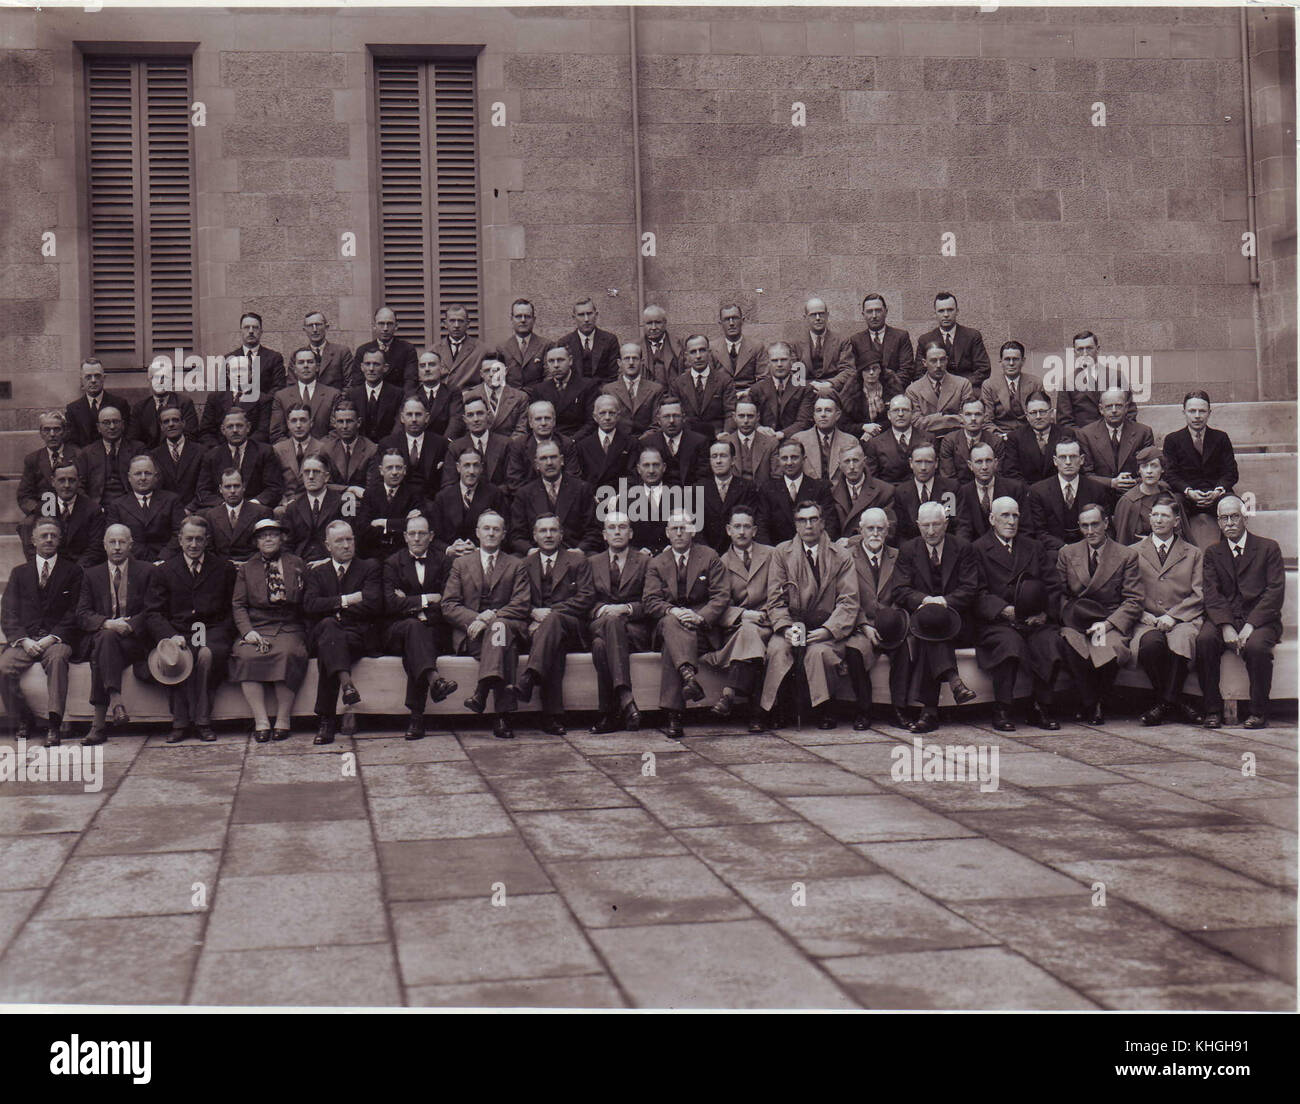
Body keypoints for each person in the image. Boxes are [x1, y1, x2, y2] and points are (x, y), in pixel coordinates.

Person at [758, 500, 860, 730]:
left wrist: (826, 631)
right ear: (795, 525)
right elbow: (775, 599)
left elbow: (849, 600)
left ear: (822, 523)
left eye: (814, 519)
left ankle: (824, 709)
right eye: (802, 521)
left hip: (826, 626)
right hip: (792, 624)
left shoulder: (841, 555)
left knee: (818, 653)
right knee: (777, 649)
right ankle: (776, 709)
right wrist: (786, 628)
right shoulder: (781, 553)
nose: (809, 525)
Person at [971, 497, 1062, 732]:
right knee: (1008, 644)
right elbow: (975, 591)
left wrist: (1044, 614)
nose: (1011, 522)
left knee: (1049, 641)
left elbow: (1053, 586)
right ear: (992, 519)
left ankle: (1041, 706)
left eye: (1015, 516)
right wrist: (1002, 610)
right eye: (1005, 516)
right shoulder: (978, 549)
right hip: (998, 622)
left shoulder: (1033, 547)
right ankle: (1002, 708)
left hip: (1034, 619)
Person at [144, 515, 237, 743]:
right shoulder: (164, 570)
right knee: (177, 657)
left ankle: (202, 720)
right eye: (189, 539)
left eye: (199, 539)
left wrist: (219, 634)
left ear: (207, 541)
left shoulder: (223, 568)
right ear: (179, 539)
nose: (193, 545)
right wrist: (170, 636)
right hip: (178, 632)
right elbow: (153, 612)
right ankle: (181, 721)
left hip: (212, 631)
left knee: (205, 654)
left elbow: (231, 610)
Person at [1197, 495, 1286, 730]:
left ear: (1245, 517)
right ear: (1218, 522)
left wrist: (1251, 625)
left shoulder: (1268, 548)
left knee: (1257, 647)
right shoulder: (1212, 553)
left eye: (1234, 516)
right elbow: (1211, 594)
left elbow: (1274, 592)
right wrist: (1225, 625)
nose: (1229, 523)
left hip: (1260, 619)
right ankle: (1212, 711)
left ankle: (1258, 712)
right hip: (1225, 618)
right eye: (1224, 518)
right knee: (1204, 640)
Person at [441, 510, 531, 741]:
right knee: (504, 645)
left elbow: (521, 604)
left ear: (503, 534)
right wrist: (476, 619)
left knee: (499, 628)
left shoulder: (516, 564)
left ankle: (481, 693)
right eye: (486, 528)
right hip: (471, 636)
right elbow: (449, 604)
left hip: (503, 627)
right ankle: (502, 716)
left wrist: (489, 618)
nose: (491, 533)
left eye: (496, 529)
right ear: (477, 533)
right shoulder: (461, 564)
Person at [893, 501, 980, 733]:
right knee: (930, 625)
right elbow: (900, 589)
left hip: (958, 622)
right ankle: (954, 683)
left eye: (936, 525)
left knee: (931, 631)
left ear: (946, 524)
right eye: (925, 525)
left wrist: (943, 602)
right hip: (923, 620)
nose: (930, 531)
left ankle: (930, 711)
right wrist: (925, 601)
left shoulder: (963, 548)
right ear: (917, 525)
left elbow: (970, 588)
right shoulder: (909, 550)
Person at [642, 511, 729, 739]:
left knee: (672, 647)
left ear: (693, 530)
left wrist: (700, 617)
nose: (679, 533)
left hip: (700, 629)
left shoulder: (709, 556)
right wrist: (673, 611)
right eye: (674, 529)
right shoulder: (656, 563)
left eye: (684, 528)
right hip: (667, 624)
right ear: (667, 533)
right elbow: (650, 601)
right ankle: (687, 678)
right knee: (671, 623)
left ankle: (675, 713)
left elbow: (721, 596)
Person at [1056, 503, 1143, 725]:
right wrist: (1069, 617)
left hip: (1107, 620)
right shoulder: (1067, 553)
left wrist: (1108, 624)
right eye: (1084, 526)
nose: (1090, 531)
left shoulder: (1126, 555)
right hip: (1076, 620)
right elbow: (1060, 593)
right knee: (1071, 644)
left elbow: (1134, 600)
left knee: (1108, 648)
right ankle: (1090, 702)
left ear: (1106, 523)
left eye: (1095, 524)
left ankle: (1095, 702)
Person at [511, 514, 595, 735]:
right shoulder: (524, 564)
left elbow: (586, 598)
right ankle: (552, 717)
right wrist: (532, 613)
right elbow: (517, 598)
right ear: (534, 536)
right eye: (543, 531)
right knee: (553, 646)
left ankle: (530, 676)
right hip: (539, 630)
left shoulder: (578, 561)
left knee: (554, 622)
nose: (548, 535)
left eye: (553, 530)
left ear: (561, 535)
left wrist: (549, 614)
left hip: (572, 627)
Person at [0, 518, 81, 745]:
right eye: (43, 535)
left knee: (58, 660)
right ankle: (24, 719)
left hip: (56, 640)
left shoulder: (73, 572)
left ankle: (54, 725)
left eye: (53, 535)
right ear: (33, 540)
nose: (48, 539)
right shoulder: (19, 573)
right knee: (3, 668)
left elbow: (75, 612)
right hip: (25, 640)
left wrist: (52, 638)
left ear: (60, 540)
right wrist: (22, 640)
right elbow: (8, 612)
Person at [75, 525, 157, 745]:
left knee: (102, 647)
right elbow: (82, 614)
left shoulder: (147, 571)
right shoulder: (91, 575)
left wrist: (130, 626)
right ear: (104, 545)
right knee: (106, 638)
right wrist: (108, 623)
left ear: (131, 544)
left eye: (122, 542)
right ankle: (115, 703)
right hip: (106, 636)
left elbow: (154, 609)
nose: (118, 547)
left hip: (135, 641)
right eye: (112, 542)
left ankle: (99, 725)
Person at [380, 512, 459, 740]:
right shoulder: (392, 563)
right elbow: (390, 604)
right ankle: (435, 682)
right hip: (397, 631)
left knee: (417, 639)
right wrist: (426, 599)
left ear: (431, 536)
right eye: (412, 534)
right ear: (404, 536)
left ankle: (416, 718)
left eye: (421, 534)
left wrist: (410, 602)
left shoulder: (444, 562)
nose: (416, 538)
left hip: (432, 629)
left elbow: (447, 600)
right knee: (415, 630)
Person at [231, 518, 310, 743]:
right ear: (256, 542)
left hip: (289, 626)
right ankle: (261, 720)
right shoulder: (247, 568)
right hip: (258, 627)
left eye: (273, 534)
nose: (268, 539)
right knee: (246, 655)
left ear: (281, 538)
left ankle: (283, 719)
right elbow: (238, 604)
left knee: (288, 654)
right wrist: (247, 632)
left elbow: (307, 599)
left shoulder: (296, 563)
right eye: (263, 536)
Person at [302, 521, 381, 744]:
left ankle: (326, 721)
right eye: (340, 541)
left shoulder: (369, 567)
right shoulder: (317, 573)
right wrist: (348, 600)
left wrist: (332, 608)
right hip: (329, 633)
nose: (346, 545)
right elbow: (309, 605)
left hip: (358, 635)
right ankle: (345, 686)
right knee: (328, 628)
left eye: (350, 539)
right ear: (328, 546)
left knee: (329, 633)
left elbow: (372, 604)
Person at [1130, 495, 1206, 726]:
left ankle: (1163, 705)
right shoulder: (1132, 551)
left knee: (1182, 643)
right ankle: (1177, 703)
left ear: (1176, 522)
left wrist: (1173, 617)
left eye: (1164, 515)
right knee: (1151, 646)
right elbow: (1126, 590)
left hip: (1183, 618)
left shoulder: (1193, 553)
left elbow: (1199, 593)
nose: (1158, 520)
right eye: (1154, 515)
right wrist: (1141, 612)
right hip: (1146, 618)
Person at [704, 507, 775, 730]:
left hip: (768, 622)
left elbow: (782, 592)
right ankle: (756, 714)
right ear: (728, 530)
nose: (742, 532)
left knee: (751, 632)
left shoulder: (772, 555)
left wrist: (764, 615)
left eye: (746, 527)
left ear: (754, 530)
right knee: (748, 632)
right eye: (737, 527)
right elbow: (717, 604)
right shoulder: (720, 562)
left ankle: (729, 695)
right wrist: (743, 614)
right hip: (737, 628)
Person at [843, 509, 912, 731]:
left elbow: (903, 592)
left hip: (891, 624)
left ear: (887, 531)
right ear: (860, 531)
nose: (875, 533)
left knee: (904, 650)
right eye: (870, 529)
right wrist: (864, 625)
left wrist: (891, 619)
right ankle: (864, 710)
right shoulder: (847, 557)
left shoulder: (898, 555)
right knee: (854, 651)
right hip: (860, 624)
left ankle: (898, 709)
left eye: (880, 529)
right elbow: (845, 596)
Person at [586, 512, 652, 734]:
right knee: (610, 623)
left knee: (599, 646)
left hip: (634, 629)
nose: (617, 531)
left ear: (631, 533)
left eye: (622, 527)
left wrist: (626, 609)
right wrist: (603, 609)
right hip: (601, 621)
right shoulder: (592, 562)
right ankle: (625, 697)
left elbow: (651, 601)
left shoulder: (645, 562)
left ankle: (608, 714)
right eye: (612, 528)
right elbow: (585, 600)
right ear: (604, 535)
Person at [1162, 390, 1240, 549]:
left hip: (1215, 494)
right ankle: (1185, 548)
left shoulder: (1221, 438)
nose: (1197, 416)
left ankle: (1229, 549)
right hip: (1187, 496)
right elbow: (1170, 474)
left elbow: (1231, 472)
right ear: (1184, 412)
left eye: (1202, 411)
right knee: (1173, 503)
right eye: (1192, 411)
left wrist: (1218, 491)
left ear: (1209, 413)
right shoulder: (1173, 440)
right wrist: (1188, 491)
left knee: (1232, 503)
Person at [509, 440, 601, 556]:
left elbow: (593, 530)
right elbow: (517, 535)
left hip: (572, 554)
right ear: (536, 464)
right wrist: (530, 550)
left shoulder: (581, 489)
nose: (549, 463)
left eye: (553, 457)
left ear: (562, 460)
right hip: (538, 557)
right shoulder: (524, 494)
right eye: (543, 458)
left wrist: (580, 550)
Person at [1026, 437, 1111, 554]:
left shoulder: (1096, 489)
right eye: (1062, 457)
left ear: (1081, 460)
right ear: (1055, 461)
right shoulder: (1038, 491)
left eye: (1073, 457)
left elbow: (1105, 527)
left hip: (1090, 551)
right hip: (1053, 553)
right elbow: (1039, 531)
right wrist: (1065, 548)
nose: (1068, 462)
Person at [19, 460, 104, 567]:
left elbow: (95, 548)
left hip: (81, 570)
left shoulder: (92, 510)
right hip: (52, 568)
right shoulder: (44, 507)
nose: (67, 485)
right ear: (53, 482)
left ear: (79, 481)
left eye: (71, 480)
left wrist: (75, 571)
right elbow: (35, 543)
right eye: (61, 480)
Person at [195, 409, 283, 509]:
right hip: (222, 511)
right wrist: (225, 506)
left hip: (256, 509)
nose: (235, 430)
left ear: (248, 427)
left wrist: (253, 504)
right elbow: (202, 491)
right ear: (223, 430)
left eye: (239, 425)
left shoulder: (264, 452)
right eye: (230, 426)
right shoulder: (212, 456)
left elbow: (274, 488)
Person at [429, 448, 507, 561]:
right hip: (451, 559)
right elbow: (433, 536)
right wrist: (449, 549)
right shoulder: (443, 497)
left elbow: (505, 532)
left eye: (475, 465)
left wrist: (481, 550)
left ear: (481, 468)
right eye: (467, 465)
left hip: (483, 558)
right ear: (458, 467)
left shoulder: (494, 494)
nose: (471, 471)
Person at [757, 439, 838, 546]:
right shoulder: (767, 489)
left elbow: (829, 524)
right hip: (777, 552)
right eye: (784, 458)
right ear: (779, 460)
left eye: (794, 457)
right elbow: (762, 526)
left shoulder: (820, 488)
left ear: (803, 459)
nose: (789, 463)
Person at [106, 455, 186, 562]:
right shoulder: (117, 505)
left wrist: (163, 558)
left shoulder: (172, 500)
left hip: (167, 561)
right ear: (129, 478)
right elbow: (114, 538)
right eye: (138, 474)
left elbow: (180, 533)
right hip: (132, 563)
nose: (143, 478)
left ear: (155, 477)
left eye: (147, 473)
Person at [1076, 387, 1155, 495]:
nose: (1114, 410)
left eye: (1118, 405)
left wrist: (1132, 482)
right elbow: (1086, 474)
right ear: (1101, 409)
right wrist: (1111, 483)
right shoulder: (1086, 434)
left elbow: (1151, 469)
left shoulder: (1143, 433)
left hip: (1135, 494)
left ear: (1126, 407)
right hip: (1099, 495)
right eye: (1108, 406)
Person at [357, 450, 432, 560]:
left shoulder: (414, 493)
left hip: (403, 554)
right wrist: (401, 523)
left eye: (398, 467)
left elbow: (416, 526)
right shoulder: (370, 493)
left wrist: (385, 523)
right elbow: (363, 528)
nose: (395, 472)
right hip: (374, 554)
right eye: (389, 468)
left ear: (405, 470)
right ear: (381, 470)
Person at [912, 291, 991, 388]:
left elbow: (984, 369)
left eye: (950, 310)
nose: (946, 315)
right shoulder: (925, 340)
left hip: (967, 389)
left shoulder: (972, 336)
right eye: (941, 311)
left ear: (957, 311)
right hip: (937, 392)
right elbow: (918, 374)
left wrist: (961, 386)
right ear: (935, 313)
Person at [952, 442, 1027, 543]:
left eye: (988, 461)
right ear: (970, 465)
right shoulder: (962, 493)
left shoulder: (1014, 489)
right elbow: (962, 530)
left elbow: (1026, 528)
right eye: (979, 462)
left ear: (996, 463)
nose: (984, 467)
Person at [1113, 447, 1189, 546]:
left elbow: (1181, 534)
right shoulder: (1128, 501)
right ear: (1139, 470)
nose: (1149, 471)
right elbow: (1122, 542)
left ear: (1162, 469)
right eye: (1144, 466)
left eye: (1154, 466)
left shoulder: (1170, 497)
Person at [17, 411, 85, 519]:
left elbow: (84, 488)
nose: (52, 434)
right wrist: (40, 510)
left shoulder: (79, 455)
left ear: (65, 431)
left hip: (73, 510)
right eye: (47, 430)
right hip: (43, 511)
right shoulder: (33, 459)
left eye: (57, 429)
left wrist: (69, 508)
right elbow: (24, 495)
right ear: (41, 433)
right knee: (26, 526)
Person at [891, 442, 960, 545]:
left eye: (928, 462)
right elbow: (901, 533)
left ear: (936, 463)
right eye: (918, 462)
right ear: (911, 463)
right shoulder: (901, 492)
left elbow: (958, 525)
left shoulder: (950, 489)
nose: (923, 467)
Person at [269, 346, 342, 444]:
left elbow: (336, 431)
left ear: (317, 367)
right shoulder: (281, 396)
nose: (306, 366)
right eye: (301, 362)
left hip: (324, 454)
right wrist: (294, 449)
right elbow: (276, 433)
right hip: (291, 456)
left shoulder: (333, 395)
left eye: (310, 362)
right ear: (294, 368)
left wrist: (316, 450)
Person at [283, 456, 349, 564]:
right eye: (306, 472)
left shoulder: (343, 503)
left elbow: (349, 540)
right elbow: (286, 545)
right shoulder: (293, 507)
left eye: (316, 472)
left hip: (333, 563)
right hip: (301, 564)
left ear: (326, 477)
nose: (310, 476)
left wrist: (330, 562)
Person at [904, 340, 973, 442]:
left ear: (947, 360)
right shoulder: (913, 390)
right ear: (924, 363)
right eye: (933, 360)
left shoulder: (963, 384)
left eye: (942, 360)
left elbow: (967, 418)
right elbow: (916, 423)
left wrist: (930, 419)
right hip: (925, 442)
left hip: (957, 440)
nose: (939, 365)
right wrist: (948, 417)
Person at [669, 334, 737, 437]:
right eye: (693, 352)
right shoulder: (678, 384)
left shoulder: (724, 381)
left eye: (702, 350)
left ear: (709, 353)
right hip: (688, 438)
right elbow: (676, 416)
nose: (698, 356)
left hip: (717, 437)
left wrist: (725, 434)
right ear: (686, 356)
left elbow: (730, 413)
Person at [699, 440, 759, 554]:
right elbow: (695, 529)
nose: (718, 461)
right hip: (707, 554)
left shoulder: (747, 487)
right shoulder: (698, 488)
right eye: (714, 456)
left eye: (723, 456)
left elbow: (751, 521)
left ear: (733, 460)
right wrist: (708, 554)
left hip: (738, 551)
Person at [843, 292, 915, 387]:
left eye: (878, 310)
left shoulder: (901, 337)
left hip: (896, 392)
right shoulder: (855, 340)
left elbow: (906, 370)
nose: (874, 316)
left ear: (886, 311)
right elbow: (854, 373)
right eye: (869, 311)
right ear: (863, 314)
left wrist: (888, 390)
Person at [201, 468, 272, 562]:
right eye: (228, 487)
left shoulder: (261, 512)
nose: (232, 491)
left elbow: (267, 547)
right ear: (220, 489)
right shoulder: (211, 515)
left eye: (236, 486)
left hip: (252, 566)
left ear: (244, 487)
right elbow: (209, 549)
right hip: (221, 569)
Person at [747, 342, 815, 440]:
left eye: (783, 360)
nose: (779, 364)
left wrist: (782, 434)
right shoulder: (757, 389)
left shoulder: (804, 388)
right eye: (774, 360)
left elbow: (804, 422)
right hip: (763, 441)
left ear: (791, 361)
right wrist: (759, 428)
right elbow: (749, 417)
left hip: (794, 440)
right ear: (768, 363)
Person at [80, 406, 143, 509]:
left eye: (116, 422)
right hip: (97, 508)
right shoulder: (87, 453)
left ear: (123, 425)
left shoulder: (138, 449)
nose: (112, 426)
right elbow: (79, 486)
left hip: (131, 508)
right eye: (106, 423)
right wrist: (91, 507)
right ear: (98, 428)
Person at [638, 396, 709, 486]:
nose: (671, 421)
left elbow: (703, 477)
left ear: (683, 418)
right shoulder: (647, 443)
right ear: (658, 420)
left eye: (676, 416)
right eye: (666, 416)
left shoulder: (699, 442)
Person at [129, 358, 199, 449]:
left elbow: (191, 436)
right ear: (149, 382)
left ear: (172, 382)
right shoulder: (140, 407)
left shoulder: (185, 403)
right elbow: (133, 439)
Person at [532, 344, 601, 436]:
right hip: (549, 441)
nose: (556, 365)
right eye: (551, 361)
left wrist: (571, 441)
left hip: (578, 441)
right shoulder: (540, 389)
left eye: (560, 360)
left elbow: (592, 422)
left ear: (570, 361)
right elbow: (536, 422)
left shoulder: (588, 386)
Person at [601, 342, 666, 438]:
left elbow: (657, 423)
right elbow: (606, 421)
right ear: (619, 363)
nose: (631, 362)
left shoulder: (656, 389)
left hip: (647, 443)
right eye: (627, 358)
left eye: (635, 358)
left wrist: (641, 441)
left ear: (642, 362)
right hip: (618, 443)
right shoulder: (609, 390)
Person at [1000, 390, 1065, 485]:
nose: (1038, 417)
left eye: (1042, 412)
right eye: (1033, 413)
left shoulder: (1065, 434)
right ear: (1027, 416)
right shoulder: (1014, 439)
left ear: (1051, 412)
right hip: (1027, 493)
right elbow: (1011, 473)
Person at [64, 358, 133, 447]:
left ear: (104, 378)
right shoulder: (72, 409)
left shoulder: (119, 404)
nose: (93, 380)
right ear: (81, 380)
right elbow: (71, 442)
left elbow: (126, 437)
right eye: (88, 377)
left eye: (97, 376)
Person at [862, 394, 929, 485]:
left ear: (912, 414)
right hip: (890, 496)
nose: (900, 414)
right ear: (889, 415)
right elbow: (872, 482)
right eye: (896, 410)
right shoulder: (875, 444)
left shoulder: (928, 439)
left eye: (905, 410)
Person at [792, 395, 858, 484]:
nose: (823, 414)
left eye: (828, 410)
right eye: (819, 410)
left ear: (837, 415)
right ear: (814, 415)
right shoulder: (798, 440)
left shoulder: (850, 442)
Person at [979, 340, 1041, 435]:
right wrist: (998, 435)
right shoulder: (989, 385)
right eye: (1007, 359)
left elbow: (1040, 415)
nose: (1011, 363)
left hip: (1030, 434)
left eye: (1015, 359)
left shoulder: (1035, 383)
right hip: (1000, 435)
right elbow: (986, 420)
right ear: (1000, 362)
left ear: (1023, 361)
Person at [938, 397, 1004, 484]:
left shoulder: (995, 442)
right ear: (962, 417)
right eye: (968, 414)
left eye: (978, 414)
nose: (973, 418)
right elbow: (948, 477)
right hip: (958, 492)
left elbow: (998, 475)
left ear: (984, 417)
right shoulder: (949, 441)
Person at [351, 305, 418, 390]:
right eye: (381, 324)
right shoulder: (363, 350)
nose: (385, 328)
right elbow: (357, 382)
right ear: (374, 326)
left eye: (389, 324)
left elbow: (410, 381)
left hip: (399, 399)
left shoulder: (407, 349)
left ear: (396, 326)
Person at [345, 348, 405, 443]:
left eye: (376, 364)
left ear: (385, 368)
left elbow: (398, 427)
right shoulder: (351, 395)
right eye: (367, 364)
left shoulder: (398, 394)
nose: (371, 369)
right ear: (362, 367)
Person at [493, 298, 550, 391]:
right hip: (511, 400)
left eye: (527, 316)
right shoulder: (502, 348)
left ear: (534, 319)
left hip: (538, 399)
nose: (523, 320)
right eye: (518, 316)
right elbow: (498, 380)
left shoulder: (546, 345)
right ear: (511, 319)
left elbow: (549, 377)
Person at [225, 311, 286, 395]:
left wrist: (260, 402)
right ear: (240, 331)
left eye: (255, 327)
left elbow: (279, 387)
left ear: (261, 331)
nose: (251, 331)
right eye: (246, 327)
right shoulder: (230, 358)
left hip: (266, 406)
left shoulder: (274, 358)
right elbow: (225, 388)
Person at [405, 349, 463, 438]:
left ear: (441, 368)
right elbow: (401, 423)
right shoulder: (411, 394)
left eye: (431, 365)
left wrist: (444, 445)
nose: (427, 369)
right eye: (422, 366)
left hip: (444, 445)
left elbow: (455, 422)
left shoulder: (453, 393)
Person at [561, 296, 621, 382]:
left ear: (596, 315)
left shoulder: (610, 340)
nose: (586, 319)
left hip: (602, 392)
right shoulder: (564, 343)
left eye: (589, 314)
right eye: (581, 315)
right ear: (574, 318)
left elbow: (613, 375)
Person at [435, 304, 488, 393]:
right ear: (445, 324)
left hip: (470, 401)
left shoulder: (482, 350)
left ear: (468, 324)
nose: (456, 325)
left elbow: (489, 382)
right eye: (452, 321)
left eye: (460, 321)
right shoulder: (434, 350)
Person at [710, 302, 764, 389]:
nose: (731, 323)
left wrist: (749, 393)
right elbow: (710, 381)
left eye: (735, 318)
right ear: (720, 323)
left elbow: (763, 379)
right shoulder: (712, 348)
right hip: (722, 397)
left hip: (749, 397)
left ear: (742, 320)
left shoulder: (756, 346)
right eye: (727, 319)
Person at [302, 309, 354, 390]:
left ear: (326, 327)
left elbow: (350, 385)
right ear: (304, 330)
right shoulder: (298, 355)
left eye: (318, 325)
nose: (315, 330)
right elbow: (293, 387)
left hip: (336, 401)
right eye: (310, 326)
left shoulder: (342, 352)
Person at [639, 304, 683, 385]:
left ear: (665, 323)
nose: (653, 327)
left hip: (674, 395)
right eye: (649, 323)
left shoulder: (680, 345)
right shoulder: (636, 348)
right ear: (643, 325)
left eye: (657, 322)